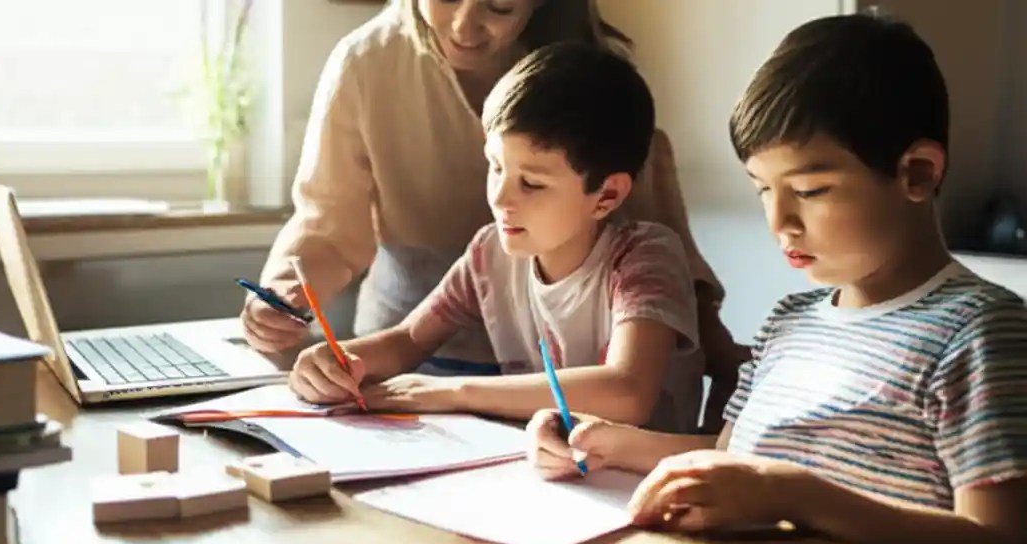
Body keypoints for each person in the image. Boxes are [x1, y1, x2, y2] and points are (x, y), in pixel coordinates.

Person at [528, 13, 1027, 544]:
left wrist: (792, 494)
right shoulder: (789, 322)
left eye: (810, 191)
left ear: (916, 172)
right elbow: (732, 458)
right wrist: (605, 441)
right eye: (763, 189)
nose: (779, 221)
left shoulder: (980, 331)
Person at [240, 0, 746, 429]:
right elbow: (331, 226)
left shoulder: (589, 77)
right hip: (449, 379)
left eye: (499, 4)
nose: (464, 24)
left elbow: (631, 377)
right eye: (493, 167)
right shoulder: (487, 251)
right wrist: (313, 328)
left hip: (560, 406)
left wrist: (724, 361)